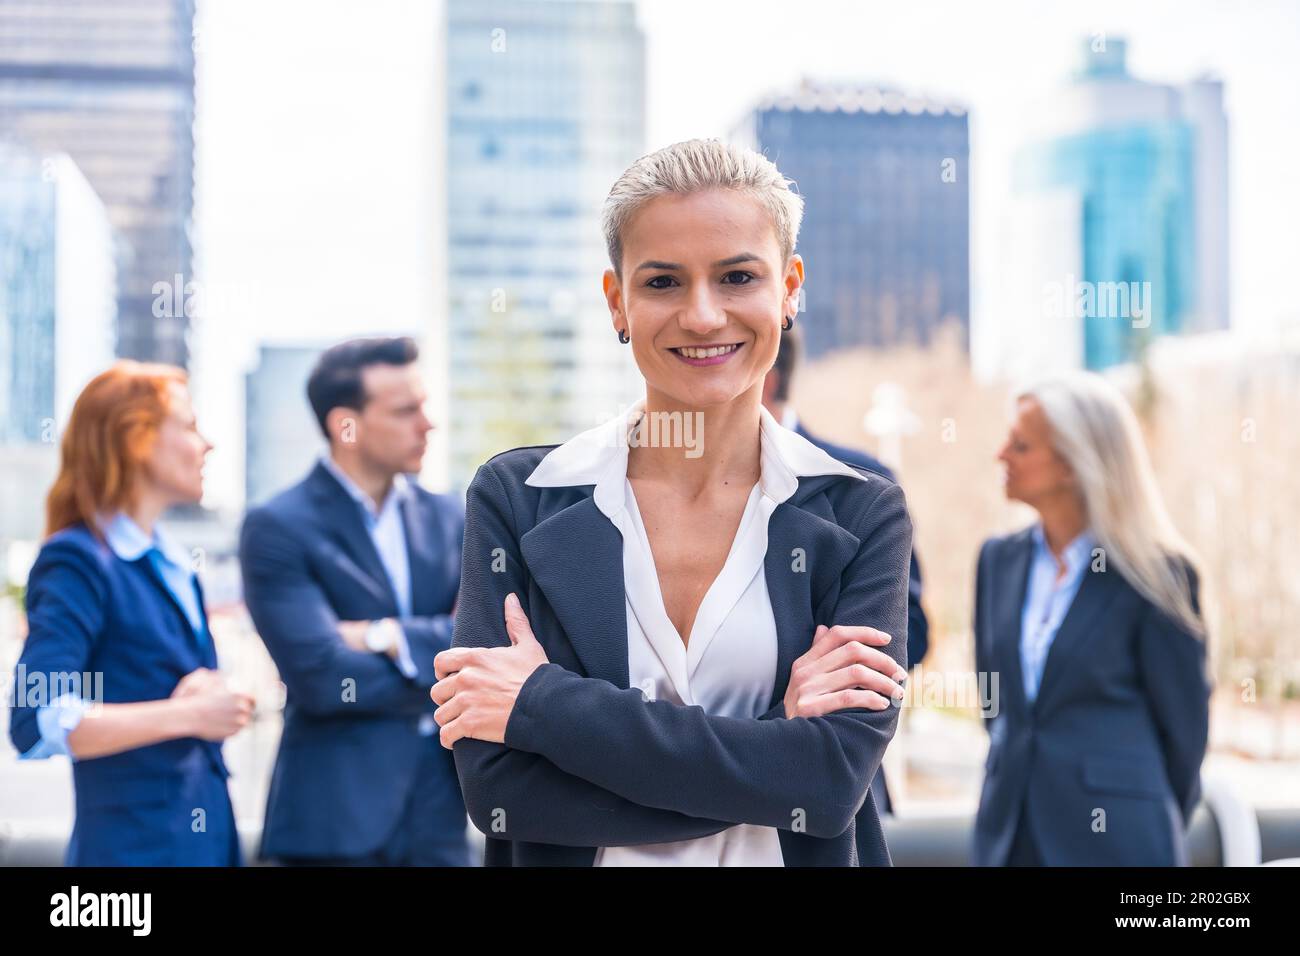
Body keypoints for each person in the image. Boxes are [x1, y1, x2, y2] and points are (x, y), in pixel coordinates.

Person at [432, 139, 913, 867]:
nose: (701, 314)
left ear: (788, 290)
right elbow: (503, 792)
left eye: (737, 277)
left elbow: (827, 782)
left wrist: (540, 705)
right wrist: (771, 743)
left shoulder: (859, 512)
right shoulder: (519, 500)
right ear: (616, 301)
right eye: (662, 283)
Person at [8, 362, 250, 866]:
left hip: (204, 845)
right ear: (136, 440)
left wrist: (213, 690)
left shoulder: (172, 563)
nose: (207, 445)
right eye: (188, 426)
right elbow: (38, 718)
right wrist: (188, 714)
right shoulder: (76, 560)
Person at [239, 336, 469, 866]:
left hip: (440, 824)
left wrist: (381, 637)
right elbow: (322, 678)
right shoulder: (278, 526)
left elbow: (485, 646)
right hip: (329, 829)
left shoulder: (452, 517)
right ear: (346, 424)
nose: (427, 424)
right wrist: (445, 667)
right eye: (406, 411)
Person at [973, 371, 1212, 866]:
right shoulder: (998, 561)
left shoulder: (1157, 574)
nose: (1000, 455)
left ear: (1071, 465)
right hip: (1009, 838)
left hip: (1120, 844)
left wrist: (1144, 812)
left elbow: (1184, 735)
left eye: (1020, 445)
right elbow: (996, 703)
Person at [762, 328, 929, 825]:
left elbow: (910, 633)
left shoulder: (860, 482)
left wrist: (817, 677)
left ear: (768, 372)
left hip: (831, 796)